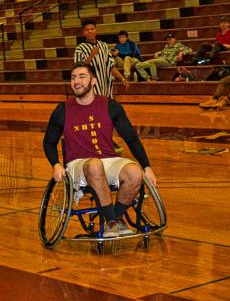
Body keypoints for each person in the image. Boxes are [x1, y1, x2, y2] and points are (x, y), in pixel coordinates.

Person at [42, 63, 157, 238]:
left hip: (108, 160)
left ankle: (114, 218)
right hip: (77, 164)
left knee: (135, 172)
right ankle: (112, 221)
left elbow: (131, 138)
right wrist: (56, 164)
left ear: (93, 81)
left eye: (82, 77)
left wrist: (147, 167)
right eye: (73, 78)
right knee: (94, 165)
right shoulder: (62, 110)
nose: (76, 81)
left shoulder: (110, 106)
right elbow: (48, 142)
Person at [74, 18, 128, 97]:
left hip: (107, 89)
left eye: (92, 29)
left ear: (96, 30)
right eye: (87, 30)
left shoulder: (104, 45)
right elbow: (78, 70)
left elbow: (111, 66)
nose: (90, 31)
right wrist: (91, 56)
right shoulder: (80, 48)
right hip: (90, 91)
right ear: (83, 33)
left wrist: (122, 78)